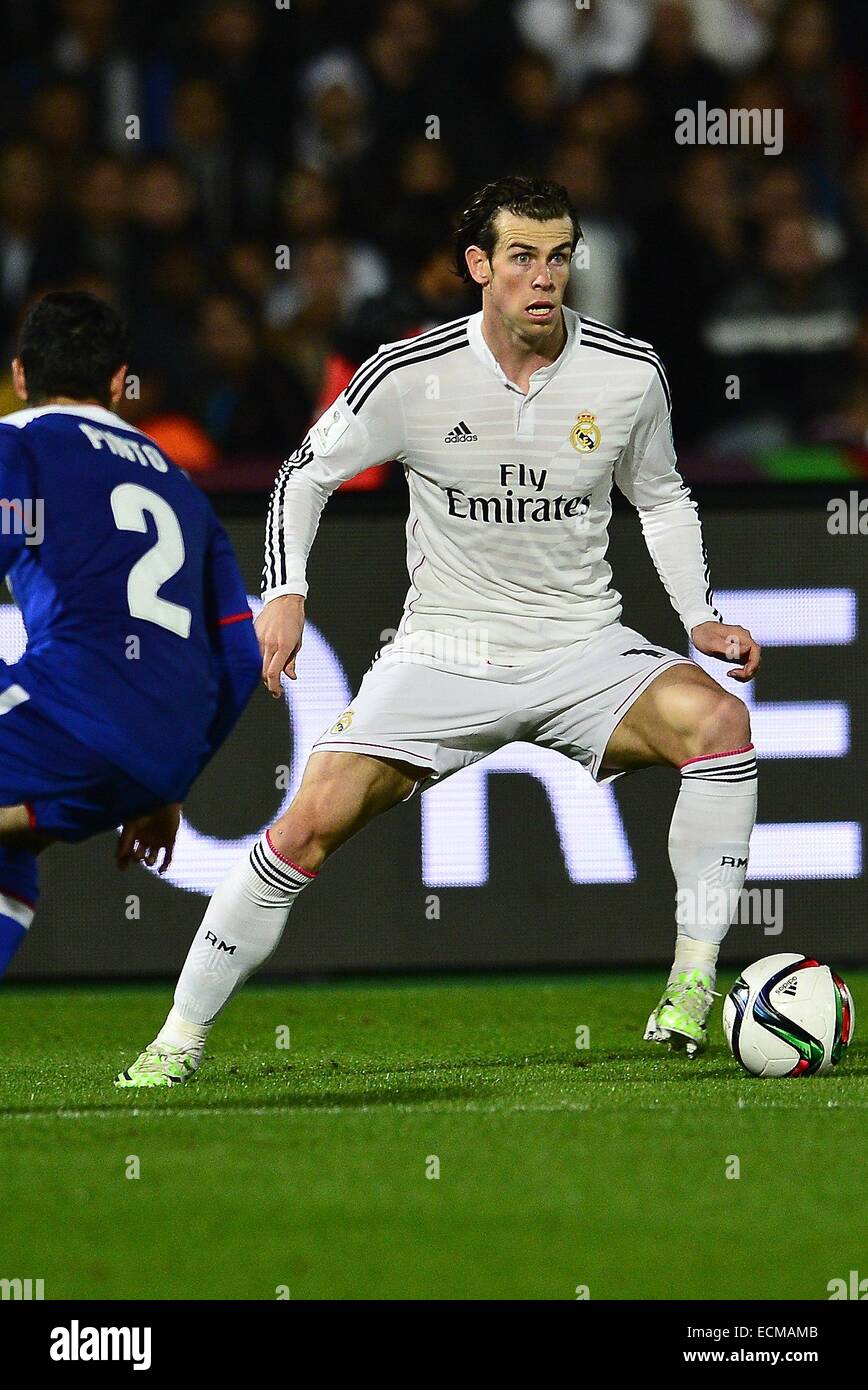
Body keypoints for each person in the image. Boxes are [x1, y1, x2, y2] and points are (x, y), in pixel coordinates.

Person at [118, 176, 761, 1088]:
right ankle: (175, 1041)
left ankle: (690, 987)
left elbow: (660, 495)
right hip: (445, 651)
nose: (546, 277)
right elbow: (303, 476)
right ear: (478, 267)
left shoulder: (629, 373)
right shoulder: (408, 373)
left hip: (584, 645)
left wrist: (700, 617)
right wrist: (286, 590)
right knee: (306, 826)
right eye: (523, 257)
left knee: (720, 726)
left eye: (561, 255)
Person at [0, 291, 260, 984]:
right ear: (119, 383)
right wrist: (169, 786)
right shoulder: (183, 486)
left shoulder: (18, 444)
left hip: (70, 716)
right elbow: (240, 656)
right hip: (161, 761)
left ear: (21, 376)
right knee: (7, 866)